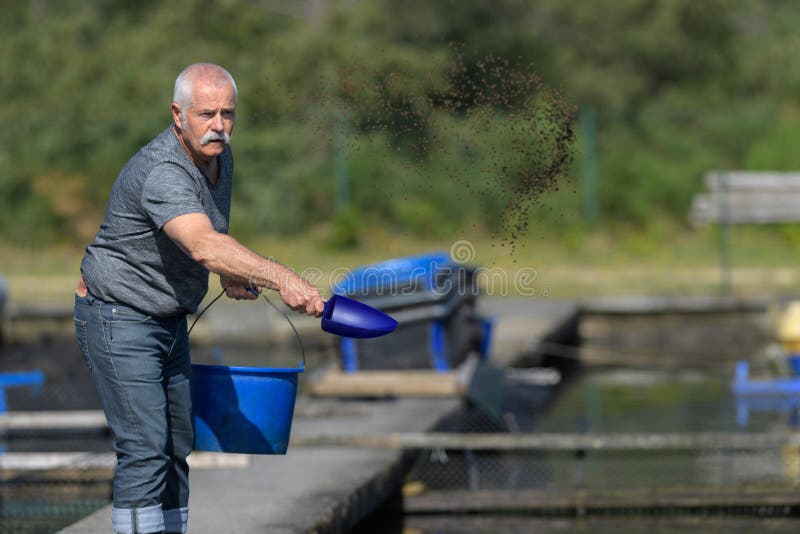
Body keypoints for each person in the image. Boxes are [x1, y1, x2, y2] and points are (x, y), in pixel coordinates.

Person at [73, 63, 325, 534]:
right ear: (177, 114)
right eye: (206, 113)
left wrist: (231, 274)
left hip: (167, 317)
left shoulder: (219, 157)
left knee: (176, 446)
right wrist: (284, 278)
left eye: (228, 113)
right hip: (117, 313)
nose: (219, 125)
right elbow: (202, 244)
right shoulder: (163, 170)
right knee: (145, 447)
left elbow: (210, 234)